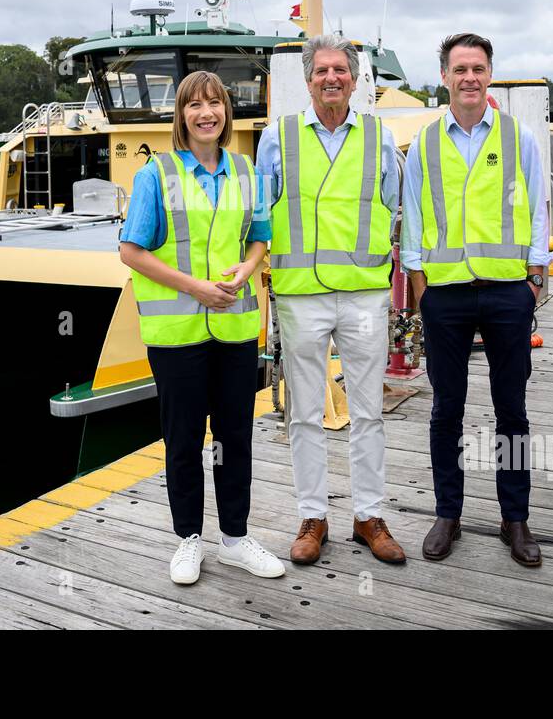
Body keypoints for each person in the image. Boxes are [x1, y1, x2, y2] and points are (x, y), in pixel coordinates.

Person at [119, 70, 285, 585]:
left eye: (215, 103)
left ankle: (235, 538)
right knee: (184, 438)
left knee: (236, 436)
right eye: (195, 105)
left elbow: (260, 236)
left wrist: (248, 267)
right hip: (178, 336)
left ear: (226, 113)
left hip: (234, 329)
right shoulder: (156, 174)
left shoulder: (246, 170)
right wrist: (196, 288)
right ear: (182, 115)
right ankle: (188, 538)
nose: (206, 113)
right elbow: (131, 250)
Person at [401, 33, 551, 567]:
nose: (470, 77)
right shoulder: (423, 144)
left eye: (479, 68)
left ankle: (516, 518)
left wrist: (534, 282)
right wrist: (422, 292)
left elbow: (537, 210)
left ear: (490, 75)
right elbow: (414, 223)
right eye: (460, 68)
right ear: (444, 76)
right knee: (447, 410)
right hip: (445, 295)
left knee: (513, 410)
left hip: (508, 292)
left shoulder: (519, 138)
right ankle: (449, 513)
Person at [256, 34, 406, 565]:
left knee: (368, 412)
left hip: (365, 293)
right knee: (303, 414)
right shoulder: (277, 139)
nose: (331, 78)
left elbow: (394, 206)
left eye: (340, 69)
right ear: (307, 79)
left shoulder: (379, 138)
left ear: (355, 77)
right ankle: (312, 516)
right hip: (301, 297)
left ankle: (368, 516)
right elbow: (260, 212)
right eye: (321, 71)